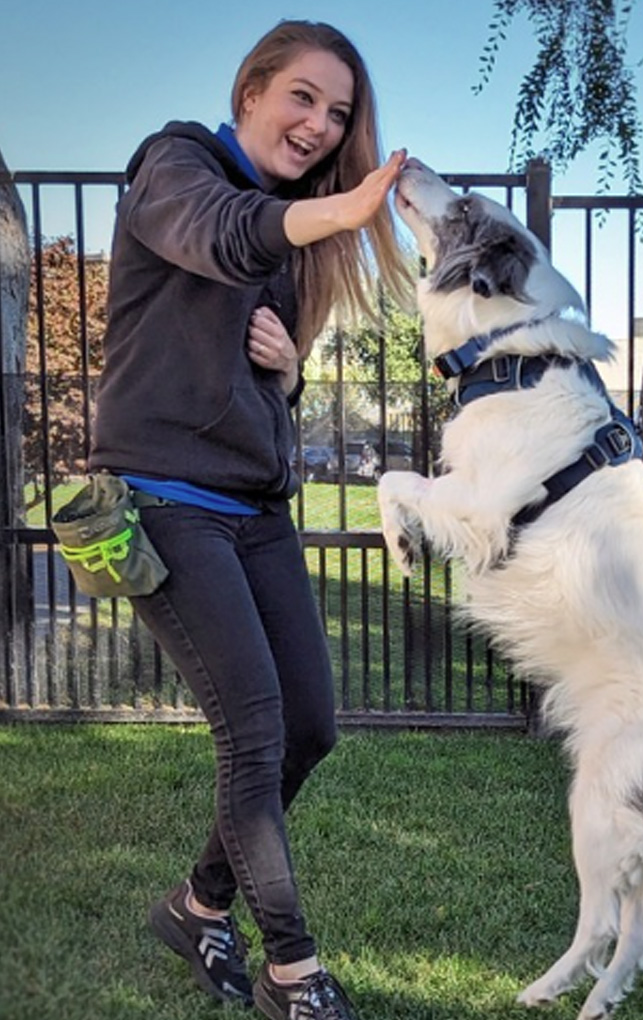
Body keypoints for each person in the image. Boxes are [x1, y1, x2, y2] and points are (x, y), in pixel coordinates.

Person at [88, 20, 413, 1020]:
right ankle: (295, 971)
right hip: (166, 501)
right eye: (303, 98)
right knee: (255, 734)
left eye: (340, 114)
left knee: (310, 728)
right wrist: (348, 210)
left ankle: (196, 906)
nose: (319, 125)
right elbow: (220, 236)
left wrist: (290, 369)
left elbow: (251, 367)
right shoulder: (176, 167)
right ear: (251, 93)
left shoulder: (286, 224)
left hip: (257, 512)